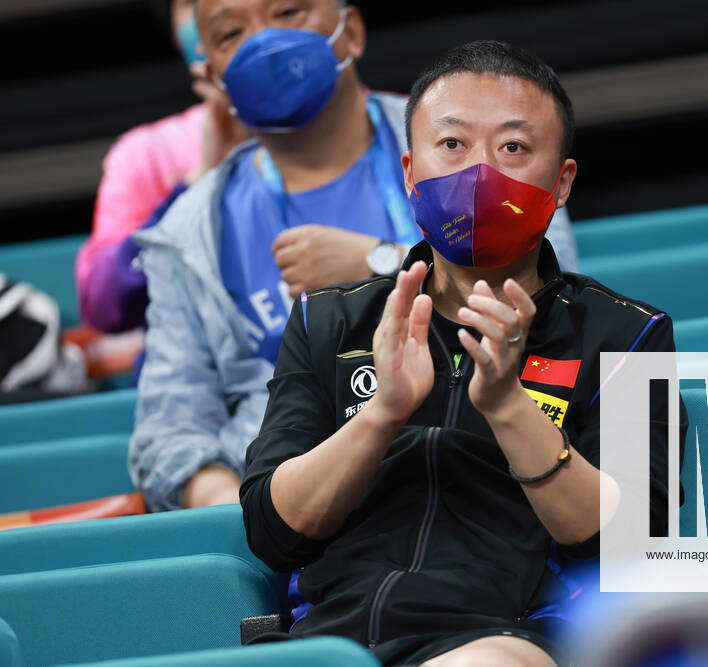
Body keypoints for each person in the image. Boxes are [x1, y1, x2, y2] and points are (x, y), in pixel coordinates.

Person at [240, 40, 679, 666]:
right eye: (452, 144)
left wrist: (507, 407)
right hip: (329, 641)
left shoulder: (628, 335)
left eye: (514, 148)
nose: (481, 174)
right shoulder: (329, 320)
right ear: (410, 172)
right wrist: (381, 414)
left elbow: (631, 542)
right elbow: (273, 531)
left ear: (562, 182)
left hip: (513, 638)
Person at [128, 1, 578, 513]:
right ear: (213, 76)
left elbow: (554, 313)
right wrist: (252, 514)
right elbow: (168, 431)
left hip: (490, 476)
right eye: (230, 33)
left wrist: (381, 265)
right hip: (297, 509)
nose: (264, 42)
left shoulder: (468, 139)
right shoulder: (188, 235)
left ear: (352, 32)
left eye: (288, 12)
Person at [76, 0, 245, 333]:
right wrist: (202, 179)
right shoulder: (147, 153)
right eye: (190, 2)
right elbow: (106, 305)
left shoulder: (354, 123)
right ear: (176, 33)